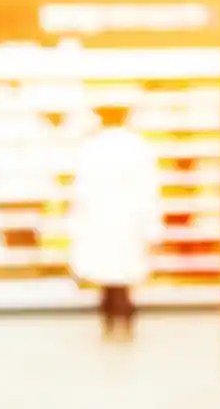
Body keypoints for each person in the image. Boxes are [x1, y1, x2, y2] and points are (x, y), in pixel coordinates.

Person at [68, 105, 161, 340]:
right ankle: (125, 319)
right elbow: (149, 189)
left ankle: (109, 319)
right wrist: (153, 227)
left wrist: (77, 223)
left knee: (106, 271)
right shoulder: (139, 147)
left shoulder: (90, 147)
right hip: (130, 219)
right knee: (126, 271)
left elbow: (80, 191)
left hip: (100, 218)